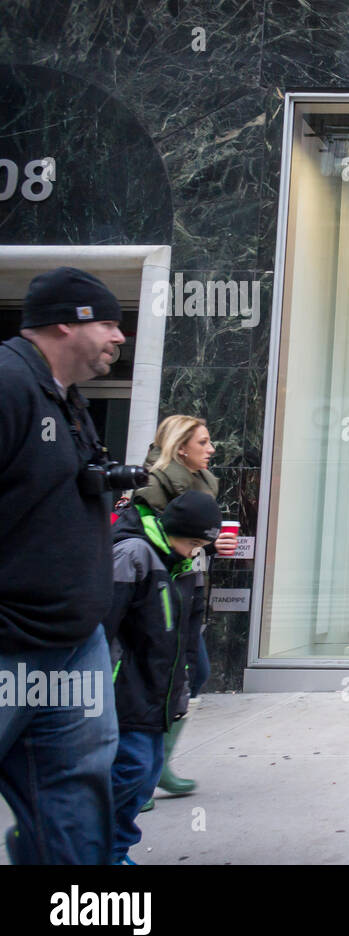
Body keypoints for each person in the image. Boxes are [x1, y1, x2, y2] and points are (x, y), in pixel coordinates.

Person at [0, 267, 126, 864]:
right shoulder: (7, 384)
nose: (119, 337)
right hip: (9, 645)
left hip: (73, 645)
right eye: (106, 322)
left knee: (73, 815)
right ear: (63, 323)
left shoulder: (67, 398)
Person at [120, 415, 237, 804]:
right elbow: (144, 540)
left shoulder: (203, 483)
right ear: (181, 447)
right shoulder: (152, 484)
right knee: (158, 677)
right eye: (203, 442)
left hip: (187, 588)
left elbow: (190, 541)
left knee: (193, 671)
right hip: (154, 595)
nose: (212, 448)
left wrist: (210, 545)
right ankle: (140, 767)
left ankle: (154, 765)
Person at [105, 491, 220, 864]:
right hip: (124, 690)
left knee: (145, 773)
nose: (193, 551)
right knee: (132, 769)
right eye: (192, 542)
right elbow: (102, 627)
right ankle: (102, 851)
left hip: (157, 691)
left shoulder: (185, 567)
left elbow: (186, 638)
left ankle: (115, 851)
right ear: (172, 530)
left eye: (201, 545)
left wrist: (181, 691)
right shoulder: (134, 555)